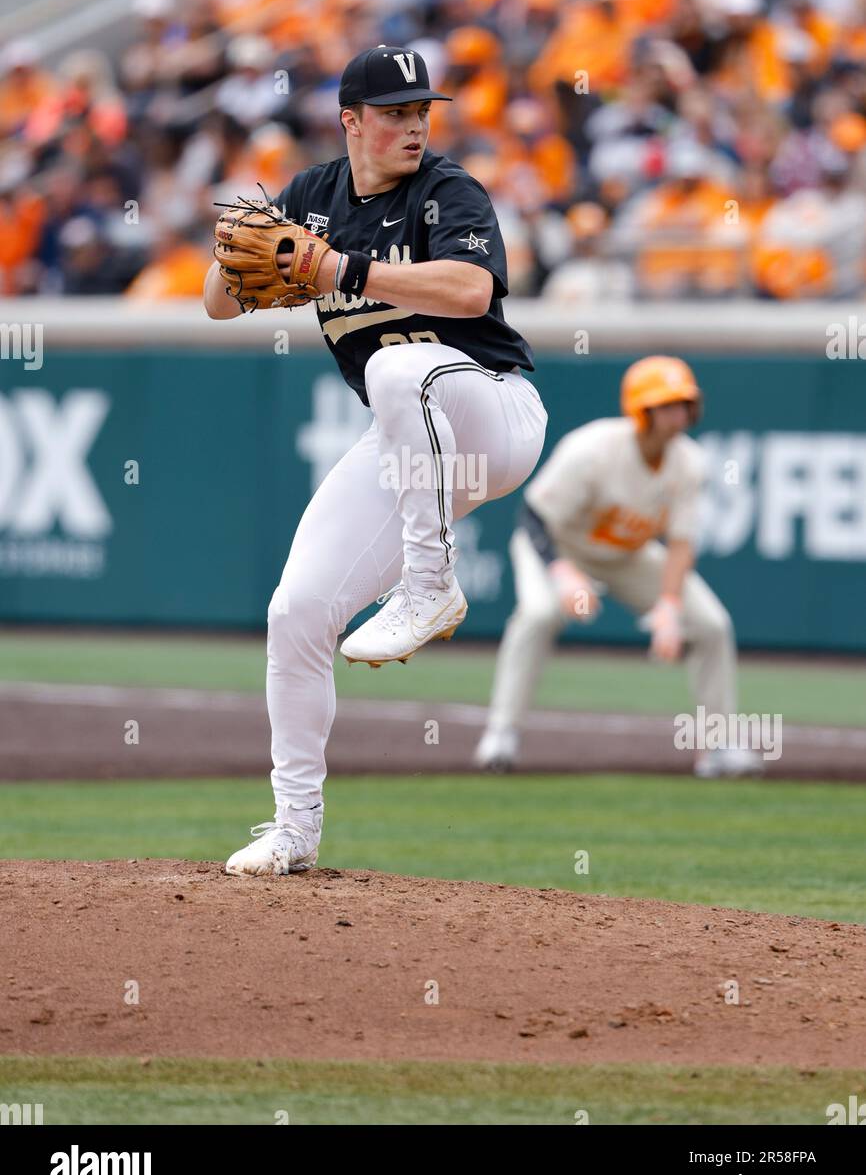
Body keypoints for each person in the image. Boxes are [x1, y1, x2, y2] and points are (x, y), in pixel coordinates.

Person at [203, 44, 548, 875]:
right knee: (297, 611)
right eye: (394, 113)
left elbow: (472, 293)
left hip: (493, 414)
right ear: (350, 121)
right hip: (406, 442)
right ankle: (294, 829)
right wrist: (241, 259)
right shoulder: (312, 196)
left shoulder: (447, 189)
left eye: (422, 111)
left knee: (398, 364)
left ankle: (431, 586)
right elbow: (217, 306)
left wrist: (341, 269)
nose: (413, 127)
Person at [474, 357, 764, 780]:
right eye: (666, 404)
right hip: (556, 547)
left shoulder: (689, 462)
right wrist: (563, 573)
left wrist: (667, 605)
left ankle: (718, 745)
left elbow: (681, 543)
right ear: (641, 409)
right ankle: (501, 734)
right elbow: (533, 516)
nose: (678, 414)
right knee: (538, 615)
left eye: (683, 404)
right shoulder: (592, 449)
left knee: (711, 624)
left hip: (626, 554)